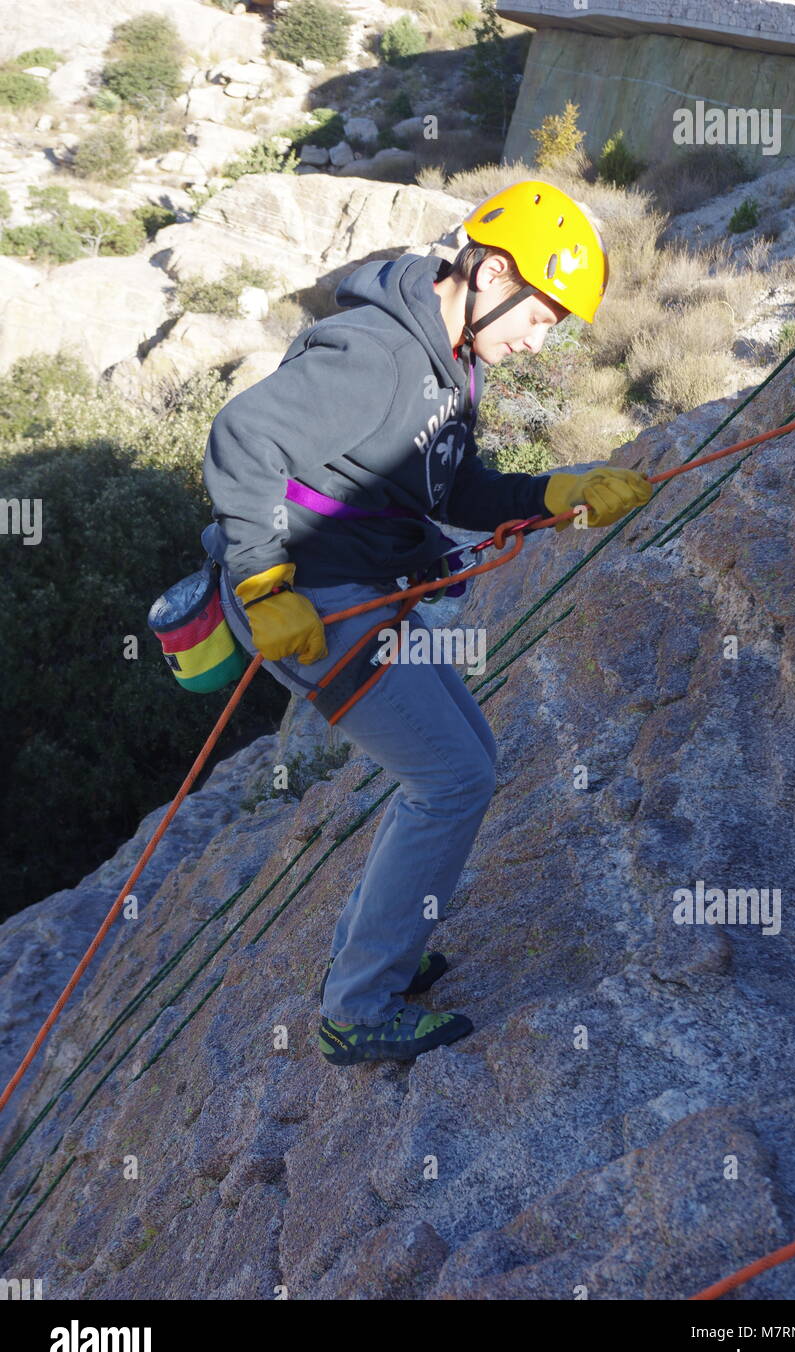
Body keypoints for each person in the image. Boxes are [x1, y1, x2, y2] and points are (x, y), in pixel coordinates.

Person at [200, 179, 652, 1066]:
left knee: (470, 764)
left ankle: (386, 955)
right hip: (314, 603)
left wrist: (554, 493)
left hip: (362, 590)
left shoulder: (453, 358)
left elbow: (453, 485)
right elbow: (242, 437)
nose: (538, 336)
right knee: (448, 780)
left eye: (554, 324)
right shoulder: (379, 354)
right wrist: (260, 582)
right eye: (542, 313)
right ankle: (360, 1008)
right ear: (487, 271)